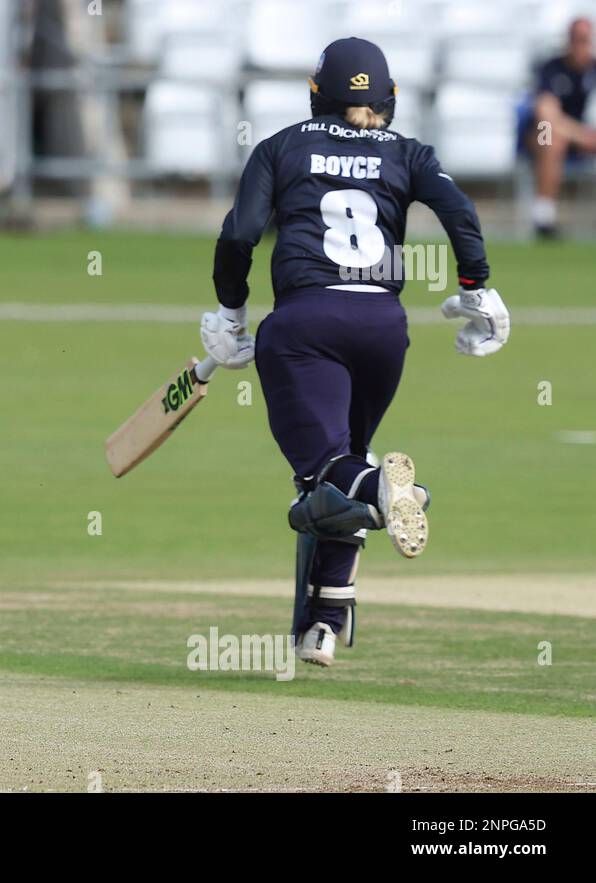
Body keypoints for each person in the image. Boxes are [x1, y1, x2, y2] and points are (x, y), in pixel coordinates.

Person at [203, 38, 510, 667]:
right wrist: (476, 285)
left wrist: (230, 310)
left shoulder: (280, 146)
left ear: (317, 93)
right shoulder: (409, 152)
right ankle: (325, 619)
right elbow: (459, 209)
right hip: (381, 327)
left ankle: (397, 493)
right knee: (337, 467)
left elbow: (239, 233)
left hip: (304, 325)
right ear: (387, 98)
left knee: (331, 476)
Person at [528, 17, 596, 238]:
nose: (579, 45)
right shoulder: (552, 68)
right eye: (575, 39)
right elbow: (546, 112)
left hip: (585, 136)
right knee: (550, 136)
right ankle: (544, 217)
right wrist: (582, 136)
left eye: (584, 40)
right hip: (549, 134)